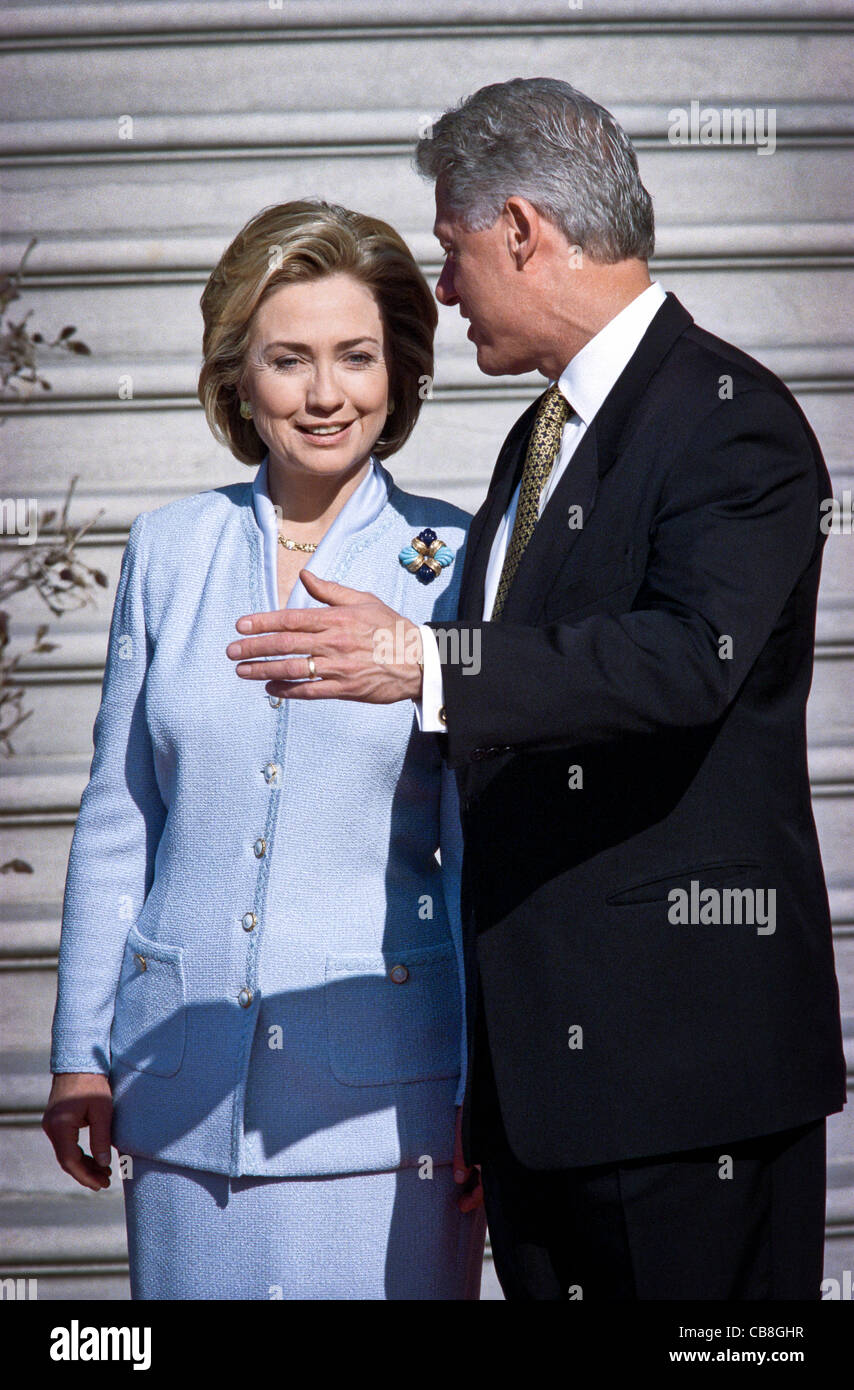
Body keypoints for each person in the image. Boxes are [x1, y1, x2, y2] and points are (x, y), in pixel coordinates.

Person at [225, 81, 847, 1301]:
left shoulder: (729, 423)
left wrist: (426, 663)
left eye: (451, 251)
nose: (442, 290)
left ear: (518, 229)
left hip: (679, 1090)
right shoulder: (538, 435)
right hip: (545, 1097)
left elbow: (684, 660)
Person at [42, 198, 486, 1300]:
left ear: (402, 373)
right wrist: (79, 1050)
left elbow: (478, 845)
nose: (325, 393)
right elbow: (118, 815)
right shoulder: (166, 550)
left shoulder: (455, 558)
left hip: (390, 1105)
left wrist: (492, 1084)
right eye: (288, 359)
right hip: (179, 1095)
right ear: (238, 377)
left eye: (355, 357)